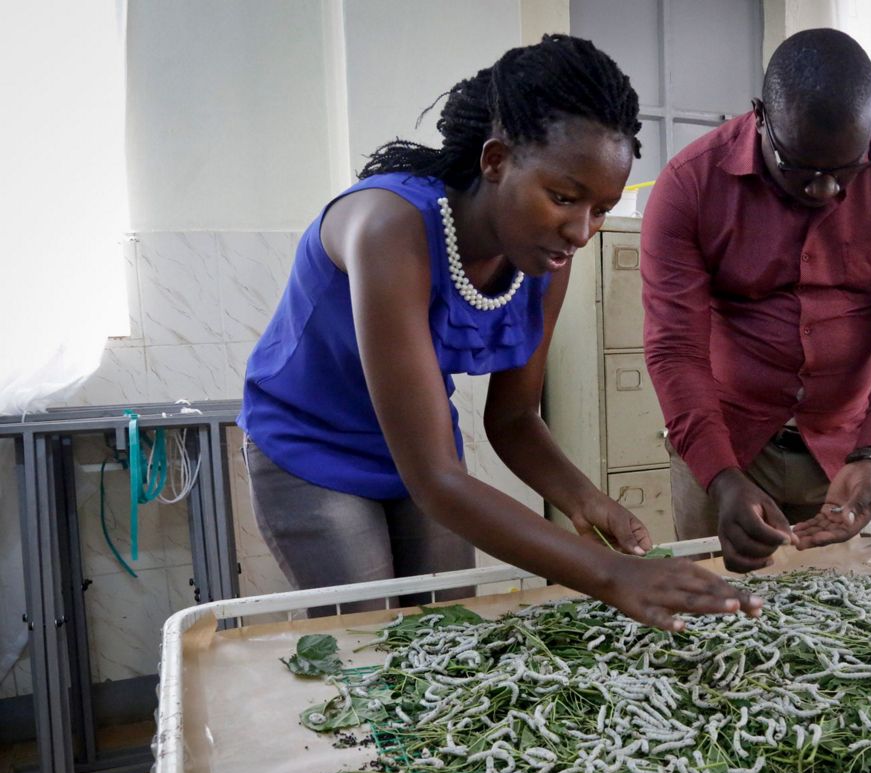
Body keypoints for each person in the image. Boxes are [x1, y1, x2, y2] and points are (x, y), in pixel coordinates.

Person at [238, 34, 761, 630]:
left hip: (421, 449)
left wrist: (586, 501)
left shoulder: (544, 261)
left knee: (446, 630)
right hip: (312, 447)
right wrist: (609, 574)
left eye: (600, 208)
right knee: (370, 642)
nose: (583, 230)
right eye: (564, 197)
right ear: (495, 160)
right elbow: (436, 480)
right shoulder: (388, 228)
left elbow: (513, 419)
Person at [641, 28, 871, 573]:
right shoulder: (689, 185)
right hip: (727, 444)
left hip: (851, 451)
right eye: (802, 171)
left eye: (846, 171)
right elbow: (676, 350)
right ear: (760, 116)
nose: (826, 191)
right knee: (720, 628)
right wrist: (719, 476)